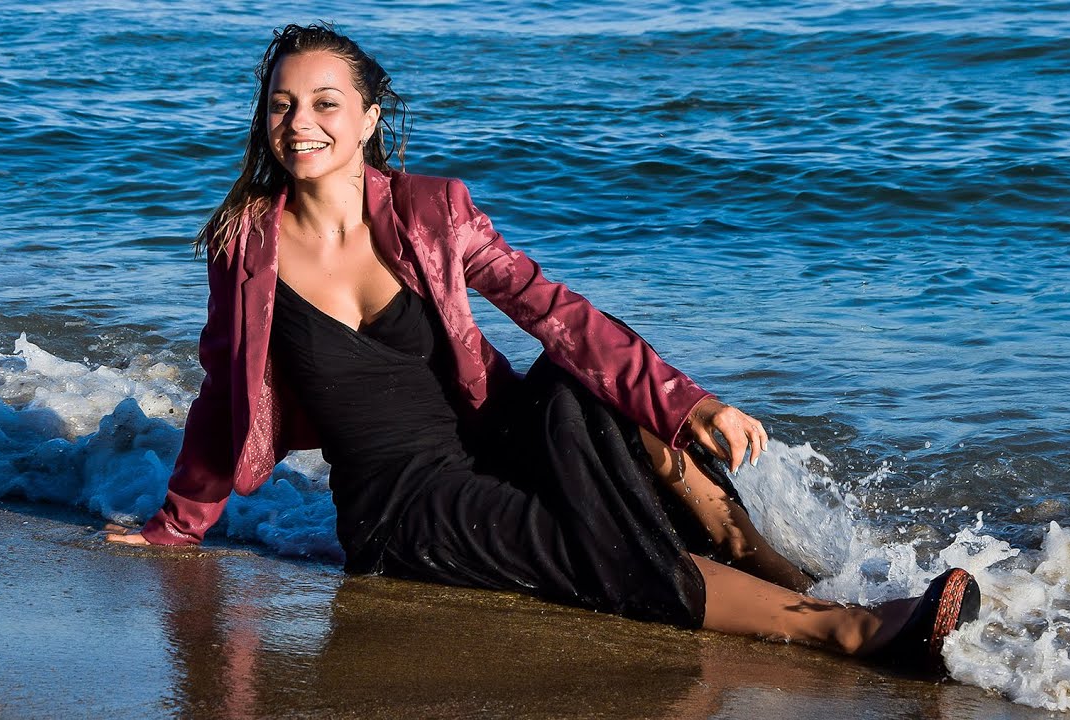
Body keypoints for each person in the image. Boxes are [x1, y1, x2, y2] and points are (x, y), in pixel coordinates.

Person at [107, 22, 979, 671]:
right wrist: (176, 527)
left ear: (368, 118)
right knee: (588, 544)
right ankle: (846, 629)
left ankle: (749, 548)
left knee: (580, 376)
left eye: (325, 103)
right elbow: (224, 391)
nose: (301, 122)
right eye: (282, 103)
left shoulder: (432, 212)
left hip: (494, 440)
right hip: (403, 507)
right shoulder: (246, 244)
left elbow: (553, 310)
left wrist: (690, 405)